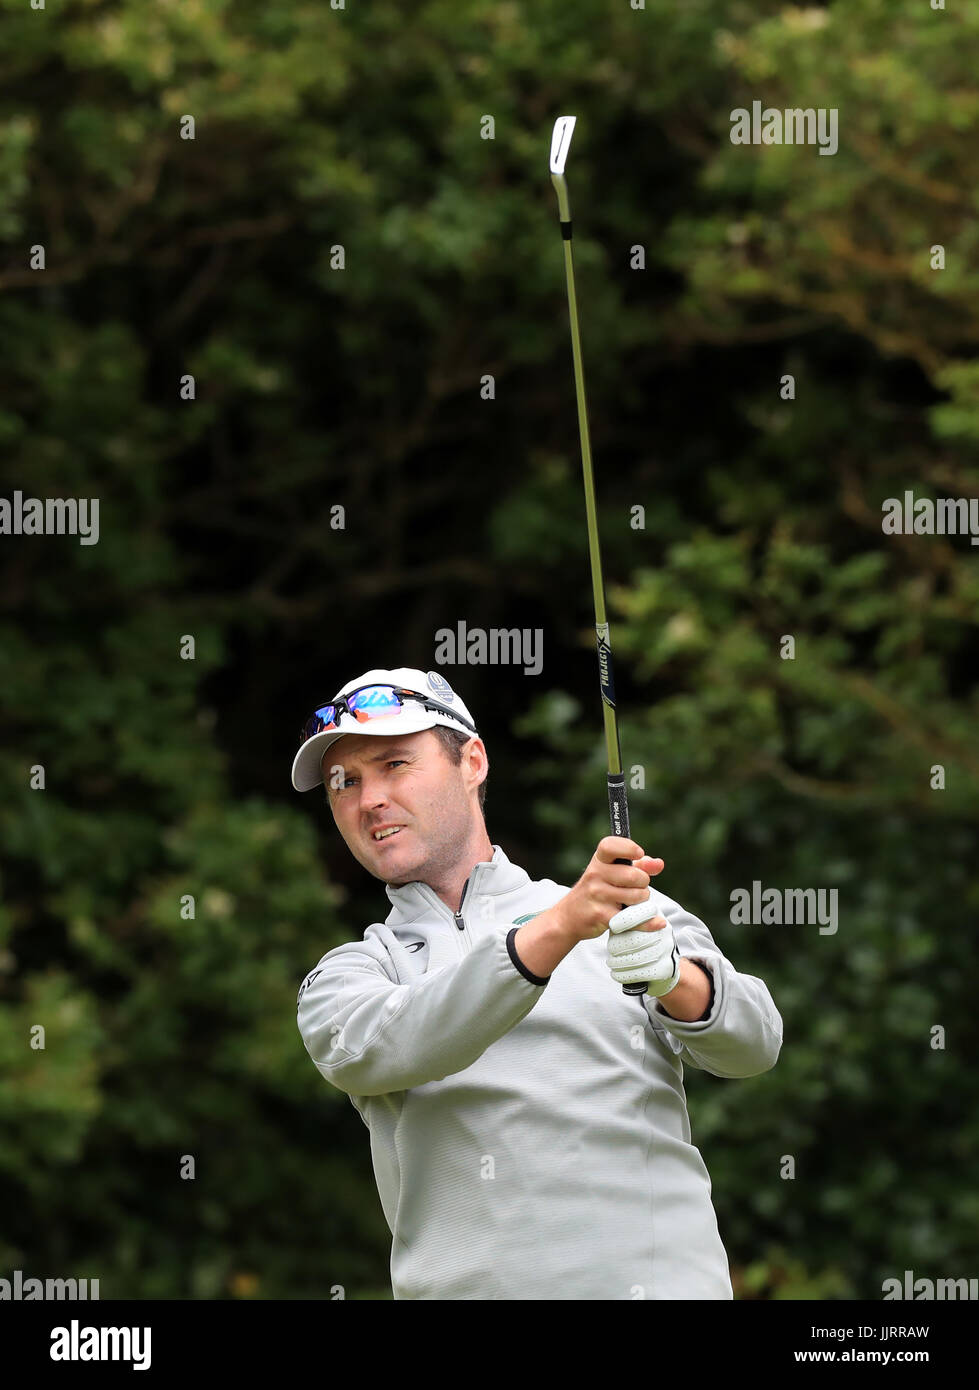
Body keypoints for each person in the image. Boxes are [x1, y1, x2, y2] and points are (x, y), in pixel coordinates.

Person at [292, 666, 783, 1300]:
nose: (369, 799)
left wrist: (671, 977)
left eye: (395, 765)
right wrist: (557, 932)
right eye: (344, 782)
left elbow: (756, 1043)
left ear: (473, 761)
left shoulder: (618, 908)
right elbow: (395, 1040)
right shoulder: (352, 975)